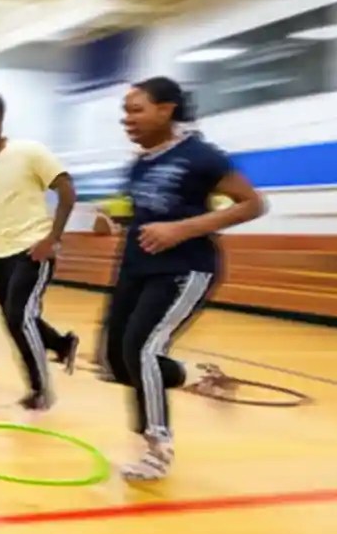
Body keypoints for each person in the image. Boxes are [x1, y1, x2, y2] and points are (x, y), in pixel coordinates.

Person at [103, 76, 265, 482]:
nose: (127, 120)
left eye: (135, 110)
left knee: (141, 351)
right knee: (116, 363)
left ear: (166, 110)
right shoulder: (139, 163)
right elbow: (134, 211)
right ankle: (200, 377)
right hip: (136, 268)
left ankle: (156, 447)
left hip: (184, 268)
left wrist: (181, 229)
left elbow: (252, 204)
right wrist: (110, 219)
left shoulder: (201, 155)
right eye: (125, 112)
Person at [0, 92, 80, 410]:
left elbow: (66, 190)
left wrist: (52, 238)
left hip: (33, 248)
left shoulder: (29, 152)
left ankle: (41, 391)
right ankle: (61, 343)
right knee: (17, 318)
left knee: (18, 317)